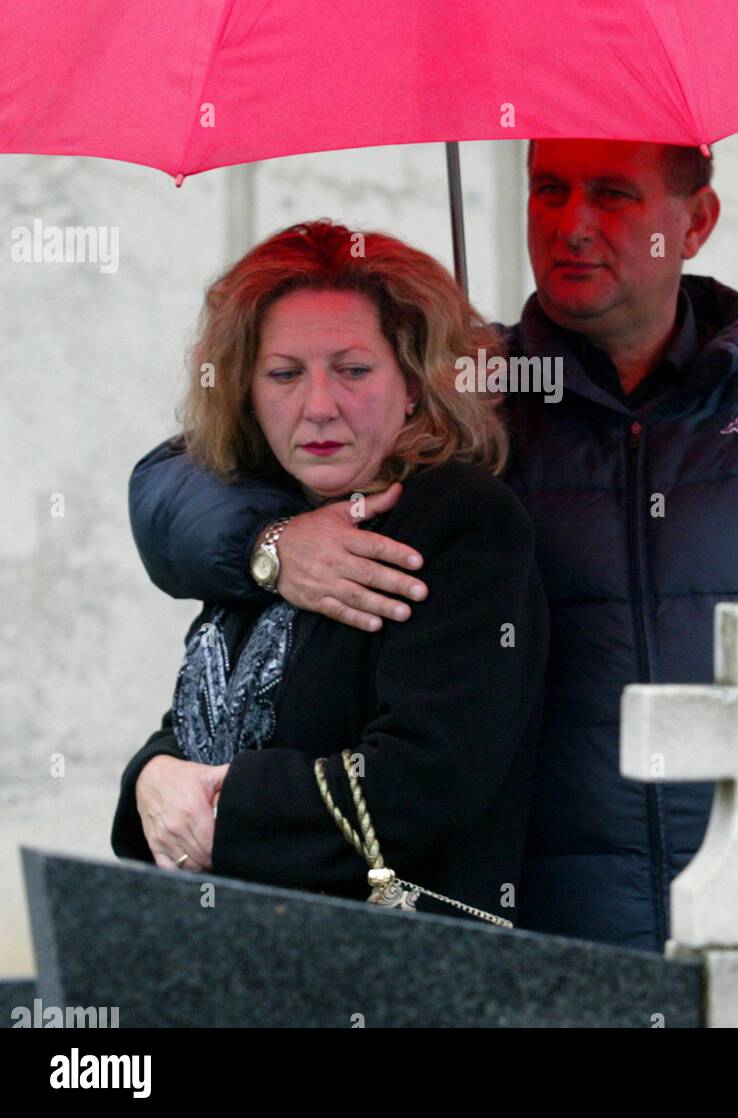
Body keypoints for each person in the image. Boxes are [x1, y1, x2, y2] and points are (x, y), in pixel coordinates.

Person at [126, 141, 738, 952]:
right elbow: (176, 482)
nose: (571, 223)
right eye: (549, 189)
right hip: (547, 952)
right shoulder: (459, 405)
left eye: (612, 194)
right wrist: (272, 544)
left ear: (696, 220)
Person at [112, 220, 549, 928]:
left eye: (352, 369)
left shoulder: (462, 521)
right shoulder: (269, 516)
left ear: (413, 383)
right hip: (226, 964)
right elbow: (215, 719)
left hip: (394, 978)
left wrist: (223, 812)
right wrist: (152, 779)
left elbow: (428, 778)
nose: (318, 406)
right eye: (284, 374)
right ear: (246, 392)